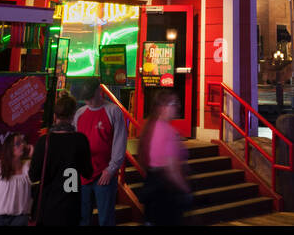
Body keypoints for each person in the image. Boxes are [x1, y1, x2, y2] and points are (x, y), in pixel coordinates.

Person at [28, 92, 92, 225]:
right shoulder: (80, 140)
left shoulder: (44, 141)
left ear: (54, 116)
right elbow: (88, 172)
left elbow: (33, 176)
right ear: (73, 116)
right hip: (71, 202)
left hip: (48, 204)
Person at [74, 78, 127, 226]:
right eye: (86, 98)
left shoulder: (113, 111)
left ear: (99, 91)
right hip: (82, 175)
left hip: (104, 175)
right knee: (82, 218)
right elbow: (75, 146)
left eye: (91, 97)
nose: (89, 101)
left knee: (105, 219)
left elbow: (119, 142)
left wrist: (111, 169)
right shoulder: (79, 114)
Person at [138, 90, 190, 226]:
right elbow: (172, 168)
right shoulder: (168, 132)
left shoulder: (150, 127)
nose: (177, 107)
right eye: (173, 104)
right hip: (166, 193)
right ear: (162, 107)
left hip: (151, 188)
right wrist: (185, 189)